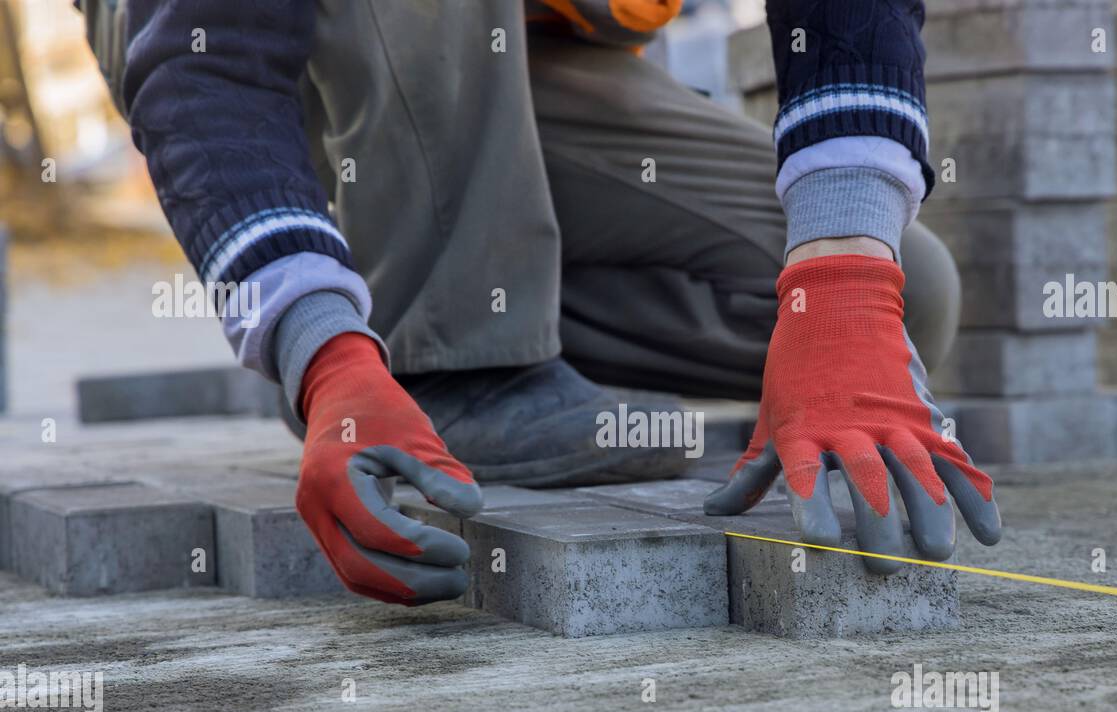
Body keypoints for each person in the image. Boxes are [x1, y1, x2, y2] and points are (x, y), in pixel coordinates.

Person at [78, 0, 1001, 604]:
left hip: (509, 58)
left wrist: (844, 281)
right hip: (255, 40)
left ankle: (500, 312)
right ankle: (457, 364)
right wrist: (323, 352)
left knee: (920, 289)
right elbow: (210, 63)